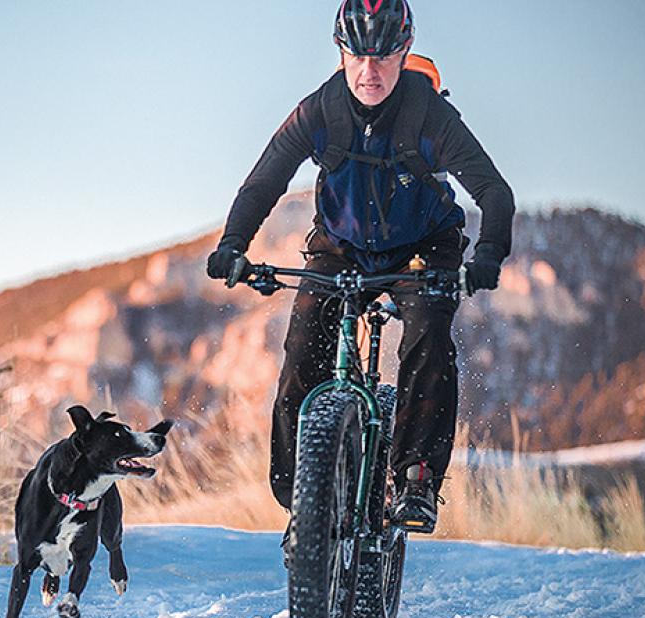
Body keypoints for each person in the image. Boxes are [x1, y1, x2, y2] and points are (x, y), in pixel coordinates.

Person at [206, 0, 514, 544]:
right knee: (303, 343)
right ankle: (301, 492)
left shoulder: (428, 114)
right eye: (357, 55)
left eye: (383, 56)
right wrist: (233, 244)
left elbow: (493, 191)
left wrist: (485, 256)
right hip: (341, 244)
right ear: (340, 52)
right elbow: (264, 181)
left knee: (427, 334)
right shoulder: (319, 110)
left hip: (424, 245)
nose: (369, 71)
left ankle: (415, 477)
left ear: (404, 52)